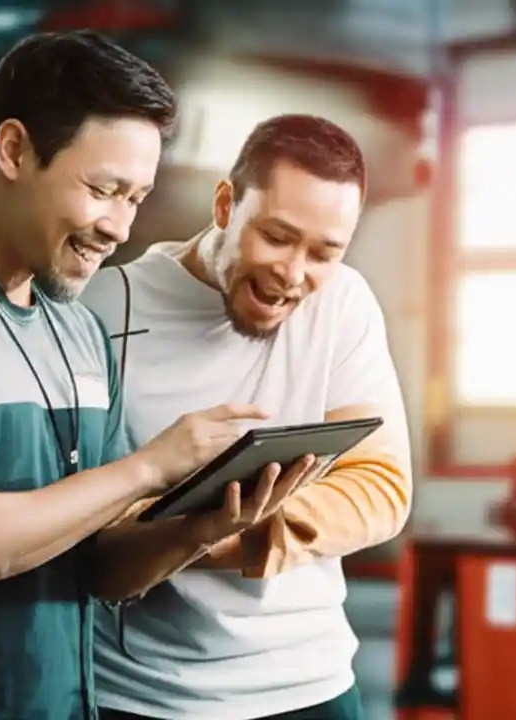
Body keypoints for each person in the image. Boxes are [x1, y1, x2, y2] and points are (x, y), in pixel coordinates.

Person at [0, 32, 310, 720]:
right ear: (13, 150)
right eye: (103, 190)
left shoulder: (79, 331)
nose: (119, 228)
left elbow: (95, 564)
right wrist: (152, 468)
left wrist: (202, 523)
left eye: (137, 197)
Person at [80, 114, 415, 720]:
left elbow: (381, 488)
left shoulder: (343, 302)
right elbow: (82, 526)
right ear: (226, 204)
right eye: (278, 236)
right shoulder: (102, 309)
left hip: (311, 686)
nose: (292, 274)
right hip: (146, 697)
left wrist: (213, 532)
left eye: (324, 252)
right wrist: (178, 525)